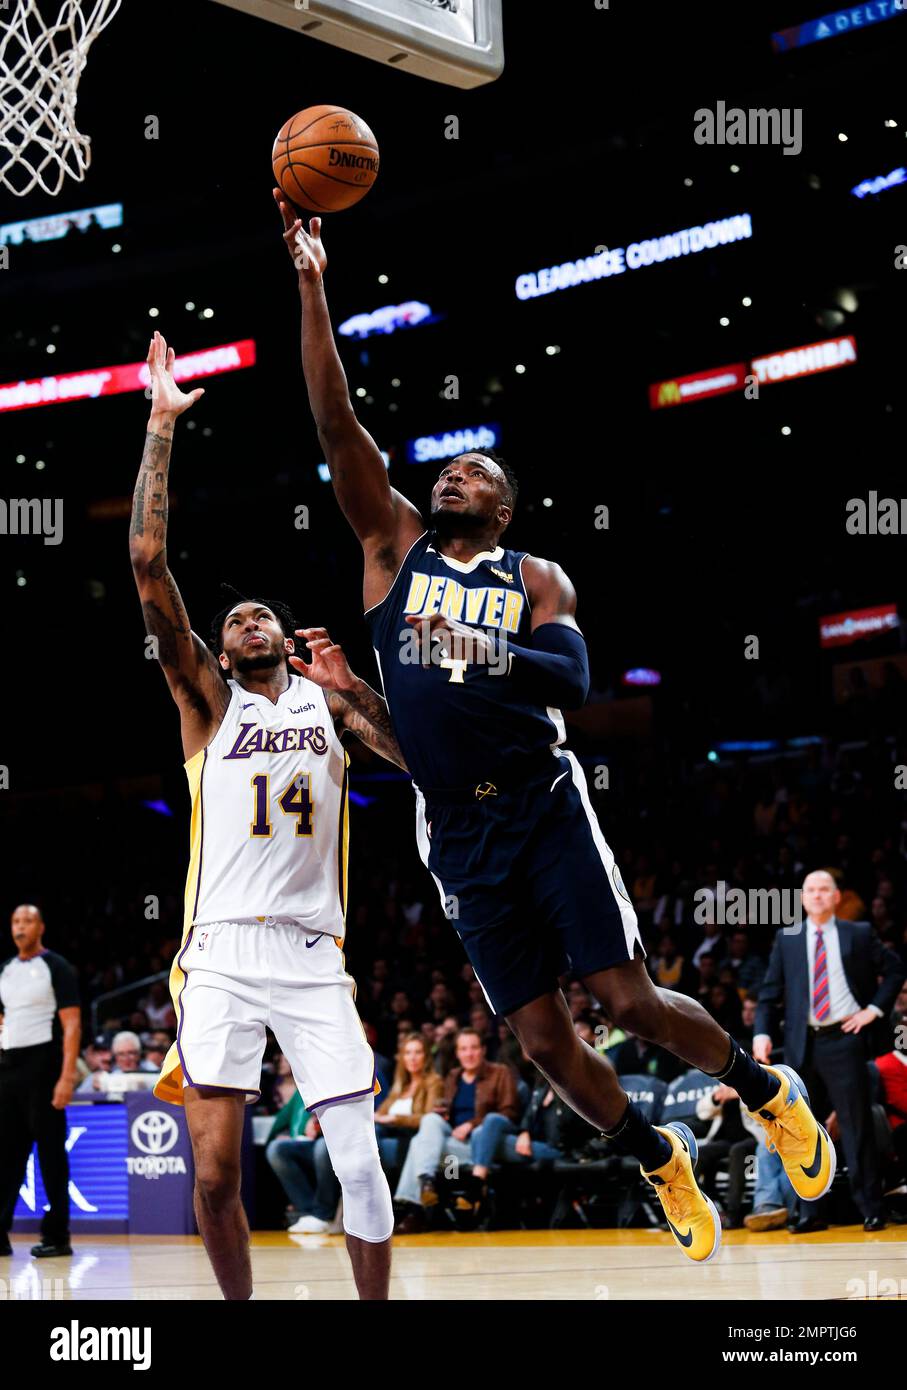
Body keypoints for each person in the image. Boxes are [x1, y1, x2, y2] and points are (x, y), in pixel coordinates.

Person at [278, 197, 836, 1264]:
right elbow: (334, 420)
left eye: (474, 476)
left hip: (542, 803)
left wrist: (474, 648)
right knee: (540, 1040)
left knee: (623, 995)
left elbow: (571, 677)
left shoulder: (536, 576)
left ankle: (766, 1091)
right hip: (457, 830)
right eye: (445, 470)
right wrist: (311, 281)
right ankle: (656, 1155)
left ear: (502, 510)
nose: (451, 476)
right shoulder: (391, 549)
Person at [130, 333, 409, 1300]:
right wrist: (161, 423)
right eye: (231, 617)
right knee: (212, 1174)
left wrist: (356, 686)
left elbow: (420, 761)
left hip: (309, 955)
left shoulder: (326, 703)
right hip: (216, 955)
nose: (243, 620)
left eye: (260, 615)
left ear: (288, 639)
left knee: (362, 1167)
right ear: (215, 646)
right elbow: (146, 558)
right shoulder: (210, 706)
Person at [754, 869, 905, 1233]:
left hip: (845, 1040)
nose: (818, 895)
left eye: (825, 890)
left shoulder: (859, 933)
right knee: (805, 1130)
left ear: (837, 897)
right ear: (802, 898)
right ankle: (808, 1212)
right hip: (802, 1044)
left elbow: (896, 967)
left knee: (856, 1127)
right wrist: (761, 1033)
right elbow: (769, 994)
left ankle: (871, 1208)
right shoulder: (787, 937)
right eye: (811, 890)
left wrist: (873, 1010)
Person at [0, 905, 81, 1259]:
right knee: (6, 1155)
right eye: (16, 921)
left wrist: (67, 1076)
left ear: (41, 927)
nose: (21, 926)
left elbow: (72, 1025)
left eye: (28, 921)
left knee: (50, 1155)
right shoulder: (4, 970)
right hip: (9, 1067)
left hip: (44, 1066)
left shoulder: (56, 967)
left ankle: (57, 1235)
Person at [392, 1029, 519, 1232]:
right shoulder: (453, 1076)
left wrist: (472, 1123)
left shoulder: (500, 1072)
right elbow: (445, 1113)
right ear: (458, 1053)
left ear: (483, 1050)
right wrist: (442, 1114)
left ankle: (415, 1210)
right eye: (463, 1049)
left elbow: (509, 1112)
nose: (469, 1054)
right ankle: (427, 1182)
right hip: (452, 1145)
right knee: (431, 1120)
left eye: (474, 1048)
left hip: (480, 1143)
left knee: (418, 1144)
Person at [265, 1088, 340, 1235]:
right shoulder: (301, 1088)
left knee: (322, 1147)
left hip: (335, 1140)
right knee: (276, 1149)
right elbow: (280, 1120)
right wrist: (276, 1136)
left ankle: (323, 1214)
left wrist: (320, 1121)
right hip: (306, 1143)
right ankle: (308, 1213)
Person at [374, 1033, 442, 1176]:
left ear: (426, 1056)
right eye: (408, 1053)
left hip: (412, 1137)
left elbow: (429, 1119)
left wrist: (395, 1118)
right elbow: (380, 1114)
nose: (412, 1058)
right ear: (402, 1058)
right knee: (371, 1132)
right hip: (388, 1133)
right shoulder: (400, 1086)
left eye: (418, 1052)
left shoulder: (433, 1082)